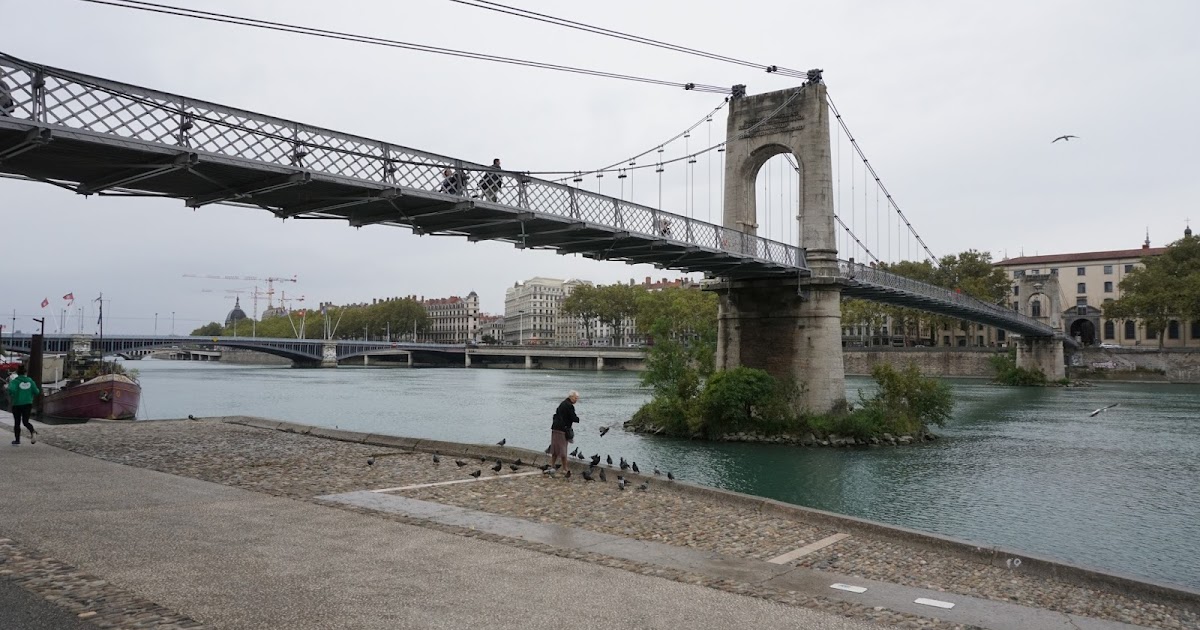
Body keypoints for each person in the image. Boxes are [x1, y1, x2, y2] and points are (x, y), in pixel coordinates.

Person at [8, 365, 39, 445]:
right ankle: (32, 431)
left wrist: (10, 391)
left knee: (17, 422)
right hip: (27, 404)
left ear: (17, 373)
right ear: (25, 372)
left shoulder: (15, 381)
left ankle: (17, 440)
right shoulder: (30, 381)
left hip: (17, 404)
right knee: (25, 421)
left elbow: (11, 390)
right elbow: (36, 392)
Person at [549, 390, 580, 470]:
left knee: (555, 448)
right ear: (571, 397)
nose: (576, 400)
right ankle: (565, 468)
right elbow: (573, 418)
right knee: (563, 450)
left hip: (555, 428)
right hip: (562, 430)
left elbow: (557, 414)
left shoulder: (562, 403)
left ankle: (552, 465)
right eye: (576, 398)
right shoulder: (569, 406)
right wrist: (578, 419)